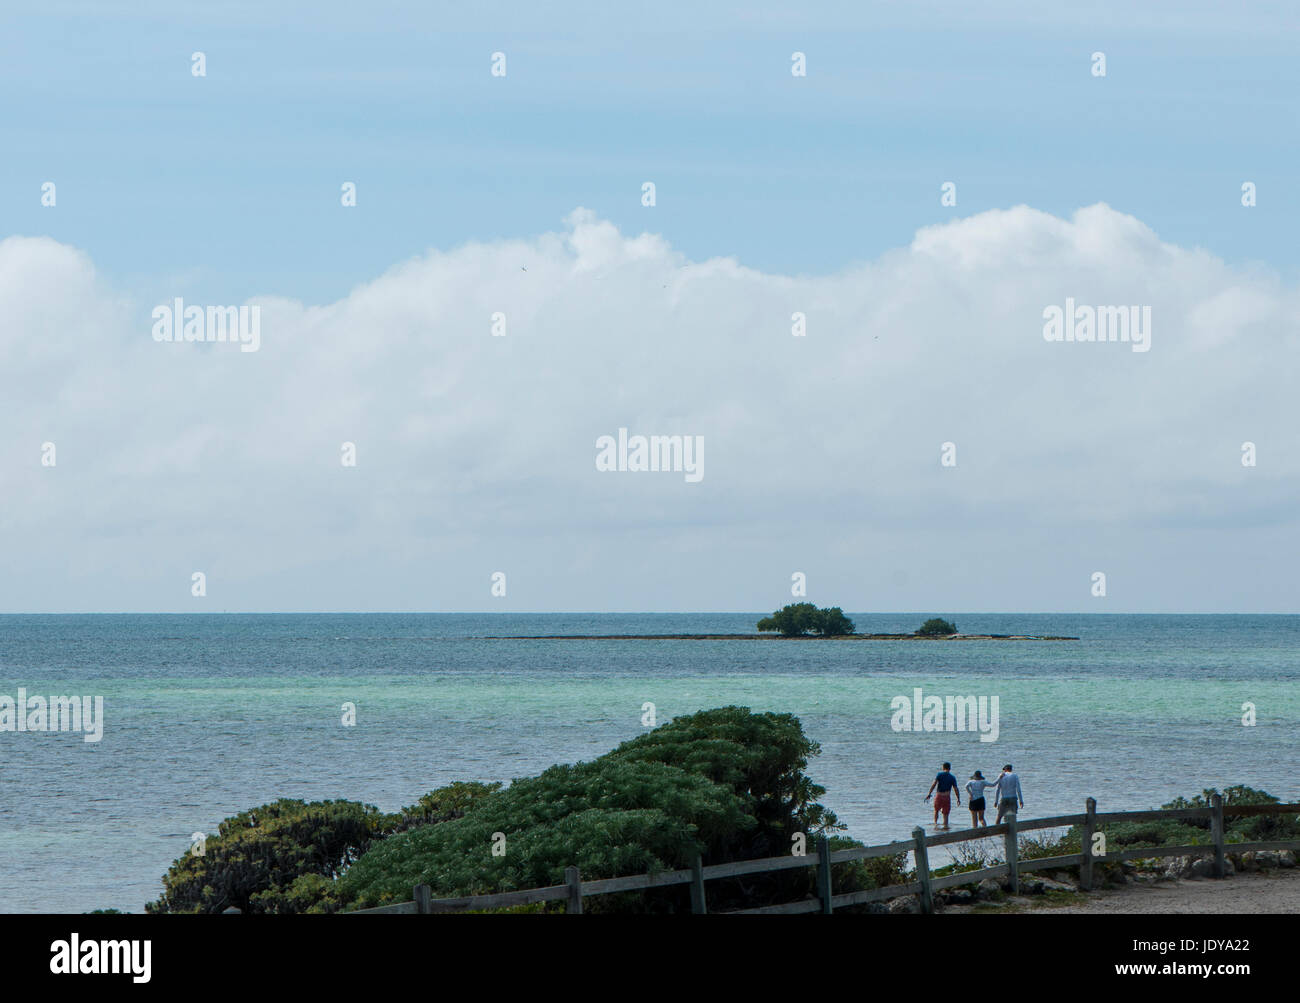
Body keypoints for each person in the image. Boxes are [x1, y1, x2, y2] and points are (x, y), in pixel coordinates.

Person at [925, 762, 961, 829]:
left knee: (936, 811)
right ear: (950, 768)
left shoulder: (939, 775)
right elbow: (956, 789)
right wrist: (958, 799)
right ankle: (945, 827)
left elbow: (934, 784)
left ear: (943, 768)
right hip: (947, 797)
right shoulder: (952, 777)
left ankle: (935, 825)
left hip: (939, 796)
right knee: (946, 814)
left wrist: (929, 793)